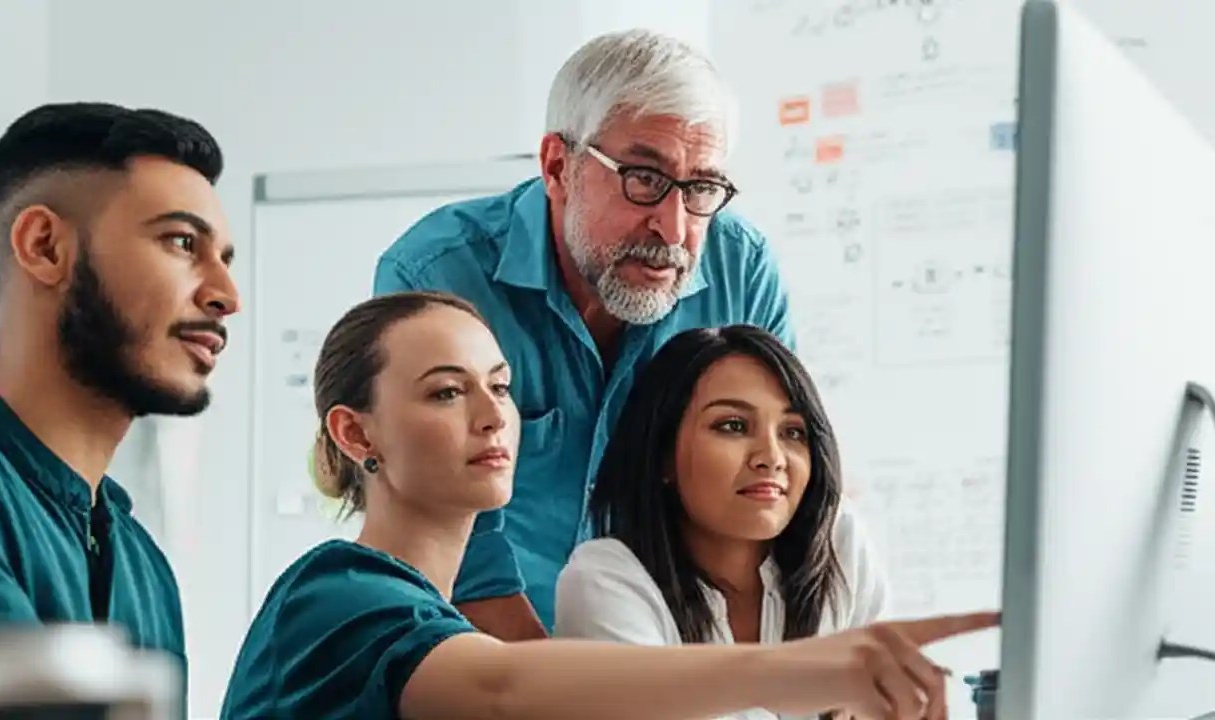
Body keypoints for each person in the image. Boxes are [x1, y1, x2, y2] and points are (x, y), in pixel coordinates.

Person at [219, 290, 996, 720]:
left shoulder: (438, 628)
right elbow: (504, 690)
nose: (493, 416)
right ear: (356, 434)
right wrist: (800, 673)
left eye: (501, 387)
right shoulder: (337, 594)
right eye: (447, 392)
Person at [374, 28, 795, 638]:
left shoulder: (742, 272)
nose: (674, 229)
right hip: (481, 649)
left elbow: (771, 493)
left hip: (663, 649)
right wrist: (556, 681)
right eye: (644, 179)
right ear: (558, 167)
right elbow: (443, 523)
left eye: (702, 187)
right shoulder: (439, 275)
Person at [0, 103, 238, 686]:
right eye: (182, 242)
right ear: (45, 247)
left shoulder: (144, 566)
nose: (227, 295)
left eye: (224, 260)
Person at [555, 325, 888, 719]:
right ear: (662, 454)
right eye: (733, 426)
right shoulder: (603, 583)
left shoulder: (838, 542)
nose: (771, 457)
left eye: (793, 432)